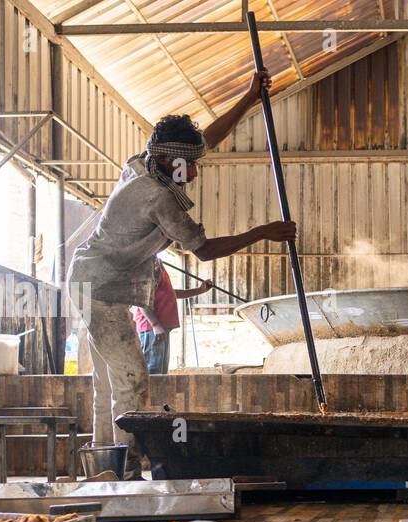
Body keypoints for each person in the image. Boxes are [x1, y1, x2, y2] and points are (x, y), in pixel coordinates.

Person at [67, 67, 295, 478]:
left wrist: (248, 98)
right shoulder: (155, 198)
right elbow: (205, 251)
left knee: (108, 382)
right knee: (131, 379)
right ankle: (128, 466)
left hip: (92, 280)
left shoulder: (146, 161)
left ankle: (107, 466)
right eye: (189, 167)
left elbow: (207, 139)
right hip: (99, 288)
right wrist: (264, 232)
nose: (194, 173)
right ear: (172, 162)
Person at [131, 266, 210, 374]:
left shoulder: (157, 265)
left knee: (161, 372)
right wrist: (155, 324)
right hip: (151, 328)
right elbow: (140, 298)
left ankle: (159, 391)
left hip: (160, 328)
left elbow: (170, 293)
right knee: (153, 370)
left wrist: (200, 290)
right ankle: (153, 391)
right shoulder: (145, 265)